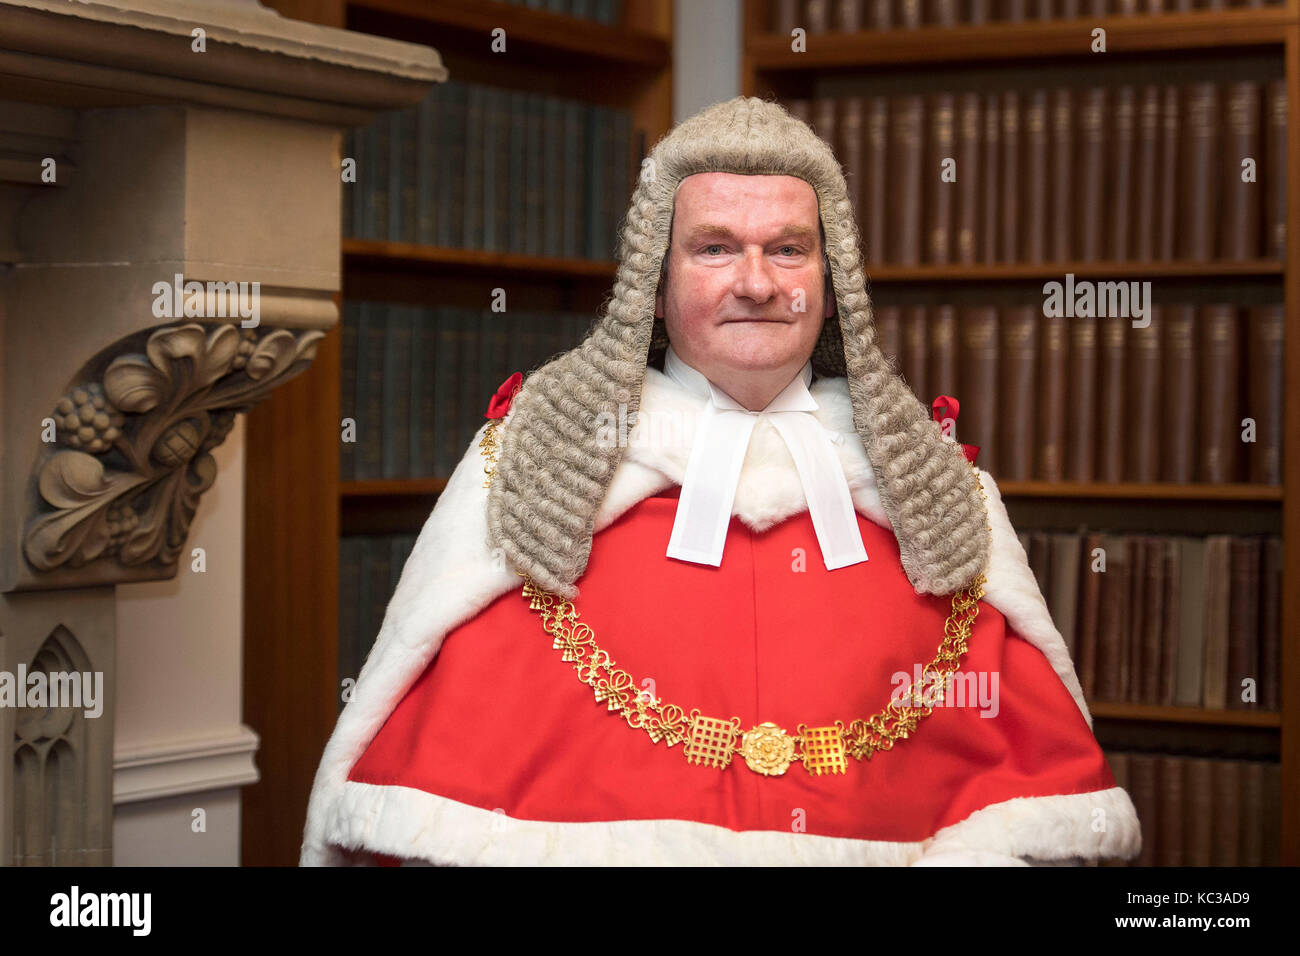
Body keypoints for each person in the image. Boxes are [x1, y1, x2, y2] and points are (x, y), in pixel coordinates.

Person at [300, 95, 1141, 866]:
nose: (757, 282)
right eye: (714, 249)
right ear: (654, 291)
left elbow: (1031, 795)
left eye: (788, 249)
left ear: (831, 283)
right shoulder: (528, 470)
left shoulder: (939, 494)